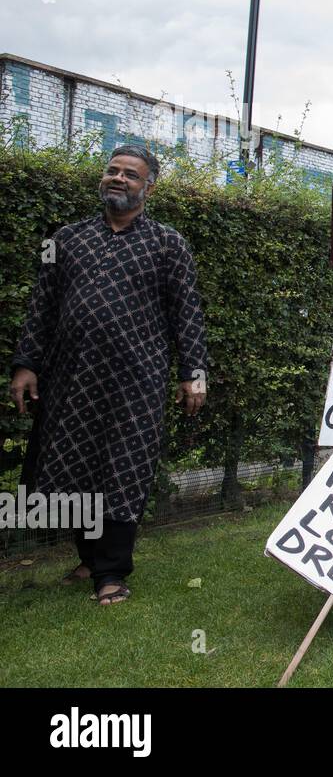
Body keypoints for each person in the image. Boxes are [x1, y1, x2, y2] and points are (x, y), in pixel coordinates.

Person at [9, 145, 209, 605]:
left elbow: (187, 314)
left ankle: (112, 573)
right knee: (73, 466)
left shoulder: (167, 243)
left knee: (124, 468)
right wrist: (26, 364)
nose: (118, 179)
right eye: (113, 171)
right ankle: (88, 558)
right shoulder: (66, 239)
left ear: (148, 188)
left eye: (130, 175)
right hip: (70, 378)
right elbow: (42, 307)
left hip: (135, 380)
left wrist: (193, 373)